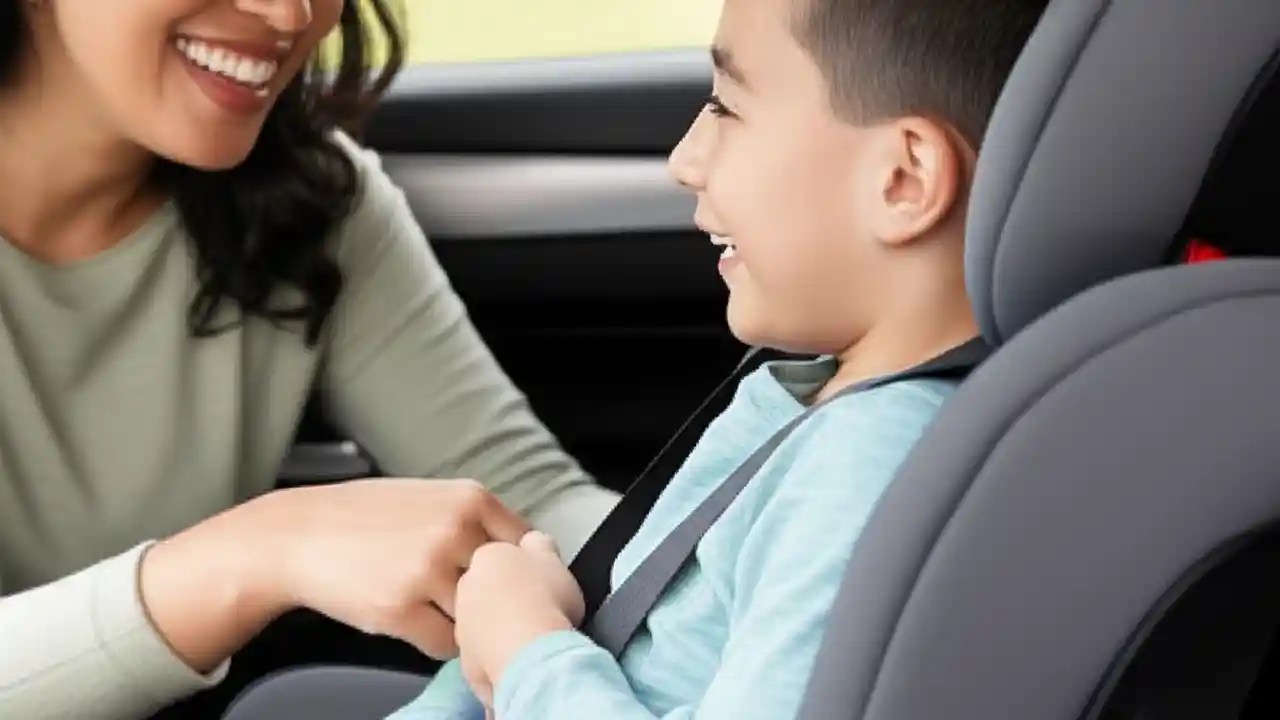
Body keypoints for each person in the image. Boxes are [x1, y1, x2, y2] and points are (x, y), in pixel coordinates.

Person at [387, 0, 1049, 718]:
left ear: (903, 179)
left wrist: (525, 647)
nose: (685, 159)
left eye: (724, 107)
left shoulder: (865, 463)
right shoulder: (826, 404)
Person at [0, 1, 618, 719]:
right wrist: (258, 552)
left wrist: (751, 555)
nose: (291, 11)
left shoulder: (308, 201)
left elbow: (525, 499)